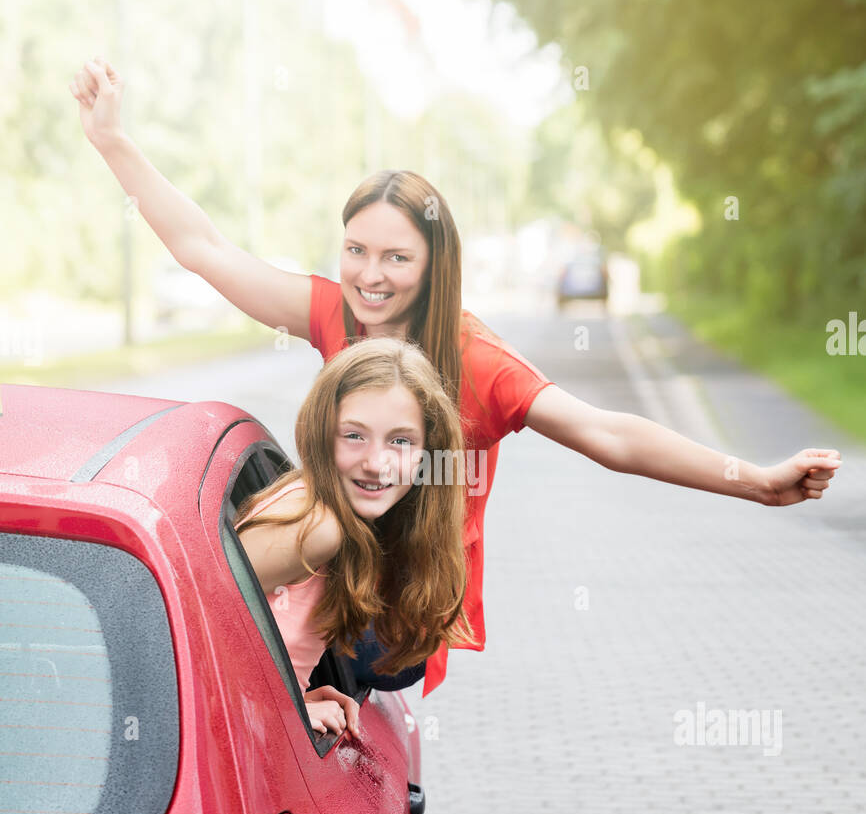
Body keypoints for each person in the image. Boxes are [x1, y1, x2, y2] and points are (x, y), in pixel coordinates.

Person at [69, 56, 843, 698]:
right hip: (337, 580)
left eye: (396, 257)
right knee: (270, 485)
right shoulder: (332, 314)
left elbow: (608, 434)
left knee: (324, 515)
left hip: (393, 624)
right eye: (356, 251)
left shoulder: (477, 361)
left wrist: (756, 480)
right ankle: (165, 612)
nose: (370, 277)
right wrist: (113, 144)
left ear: (435, 263)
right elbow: (206, 250)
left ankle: (218, 631)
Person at [232, 334, 472, 737]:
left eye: (400, 441)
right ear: (323, 434)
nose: (376, 463)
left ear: (428, 453)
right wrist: (280, 710)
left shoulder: (341, 522)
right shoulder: (318, 527)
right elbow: (186, 620)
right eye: (354, 435)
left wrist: (291, 693)